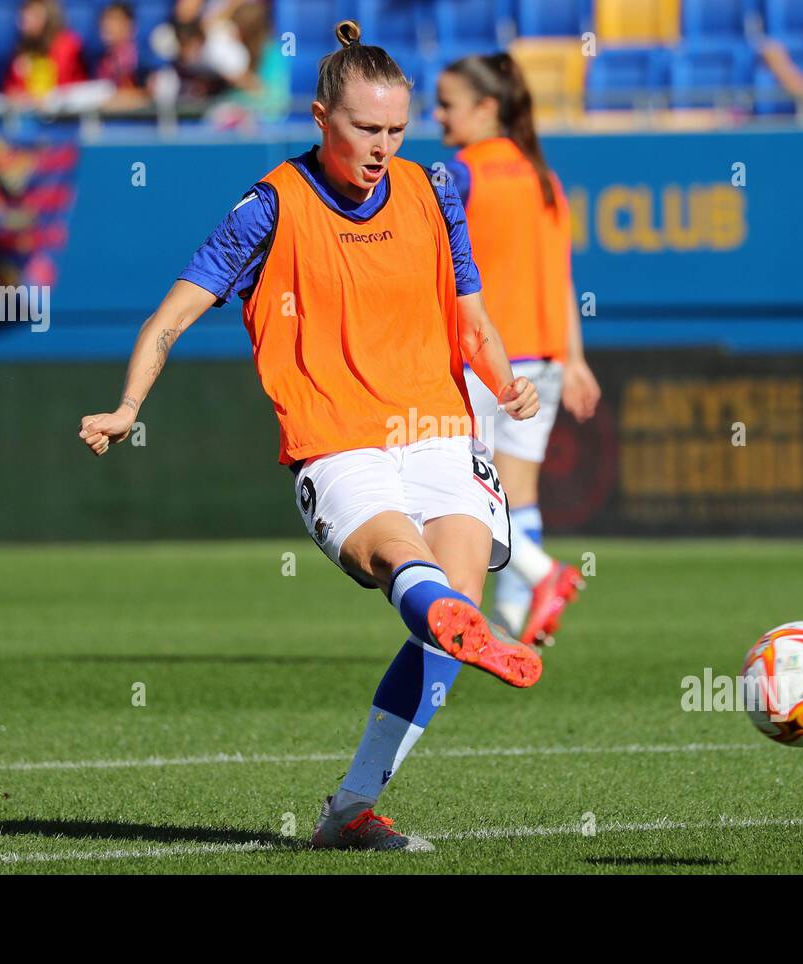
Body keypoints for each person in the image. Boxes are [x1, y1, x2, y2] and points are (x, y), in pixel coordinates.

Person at [78, 20, 543, 852]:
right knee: (407, 562)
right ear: (323, 116)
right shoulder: (268, 207)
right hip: (336, 437)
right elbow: (170, 317)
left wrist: (507, 382)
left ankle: (351, 810)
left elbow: (471, 318)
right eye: (366, 129)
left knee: (447, 613)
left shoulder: (434, 189)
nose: (382, 147)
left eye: (397, 130)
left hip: (438, 425)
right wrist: (127, 407)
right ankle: (447, 628)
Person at [433, 53, 601, 646]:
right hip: (545, 358)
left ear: (486, 107)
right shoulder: (542, 175)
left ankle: (532, 581)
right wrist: (574, 358)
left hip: (487, 357)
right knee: (517, 495)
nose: (437, 115)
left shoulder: (459, 174)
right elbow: (561, 277)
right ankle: (511, 621)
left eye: (447, 104)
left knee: (461, 493)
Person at [3, 0, 88, 101]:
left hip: (64, 111)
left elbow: (66, 85)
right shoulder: (22, 48)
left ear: (49, 17)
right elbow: (11, 88)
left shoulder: (67, 44)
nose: (24, 23)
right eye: (23, 17)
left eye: (33, 16)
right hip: (29, 110)